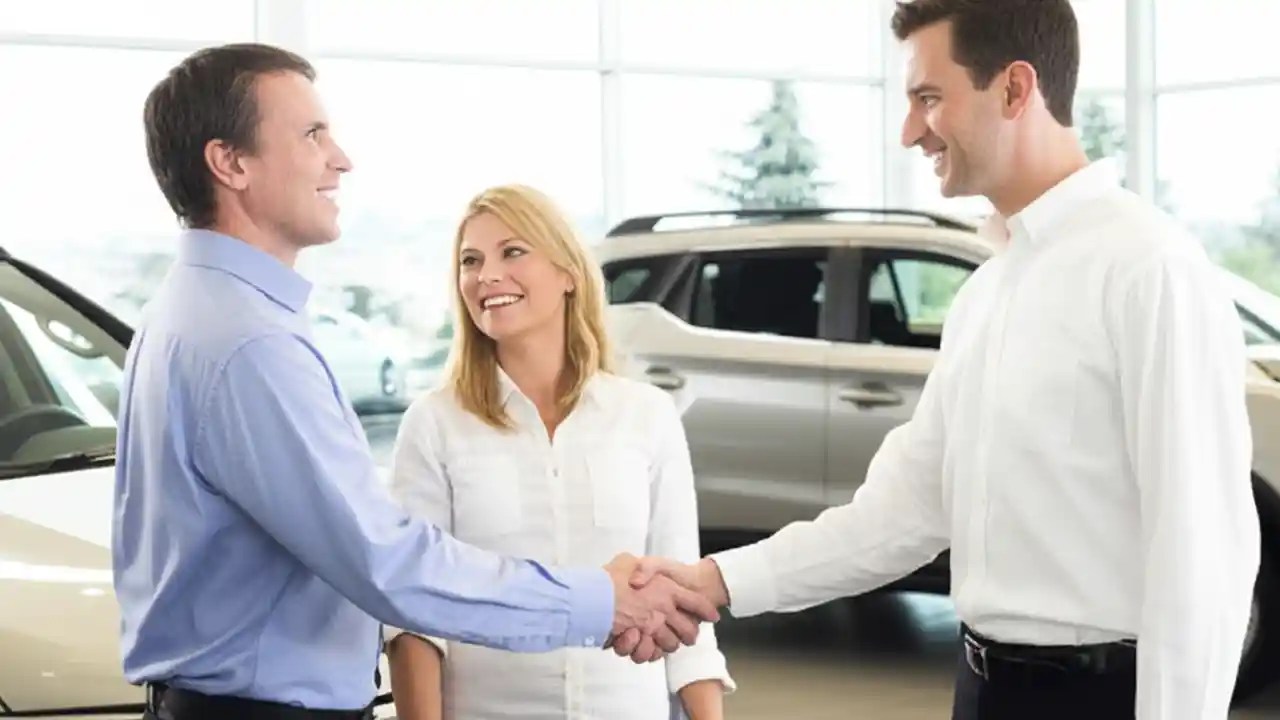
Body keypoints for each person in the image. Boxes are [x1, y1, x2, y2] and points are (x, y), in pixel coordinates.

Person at [628, 1, 1260, 719]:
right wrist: (713, 581)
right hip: (984, 689)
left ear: (1015, 89)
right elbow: (902, 514)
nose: (909, 131)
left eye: (929, 98)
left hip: (1102, 697)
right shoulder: (988, 290)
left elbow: (1202, 551)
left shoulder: (1150, 268)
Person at [112, 43, 717, 720]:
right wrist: (600, 601)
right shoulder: (250, 342)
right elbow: (387, 564)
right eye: (312, 134)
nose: (340, 159)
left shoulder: (189, 311)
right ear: (230, 163)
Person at [383, 184, 734, 720]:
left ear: (569, 273)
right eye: (470, 261)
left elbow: (687, 609)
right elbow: (414, 616)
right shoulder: (433, 424)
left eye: (512, 252)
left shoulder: (646, 414)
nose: (486, 276)